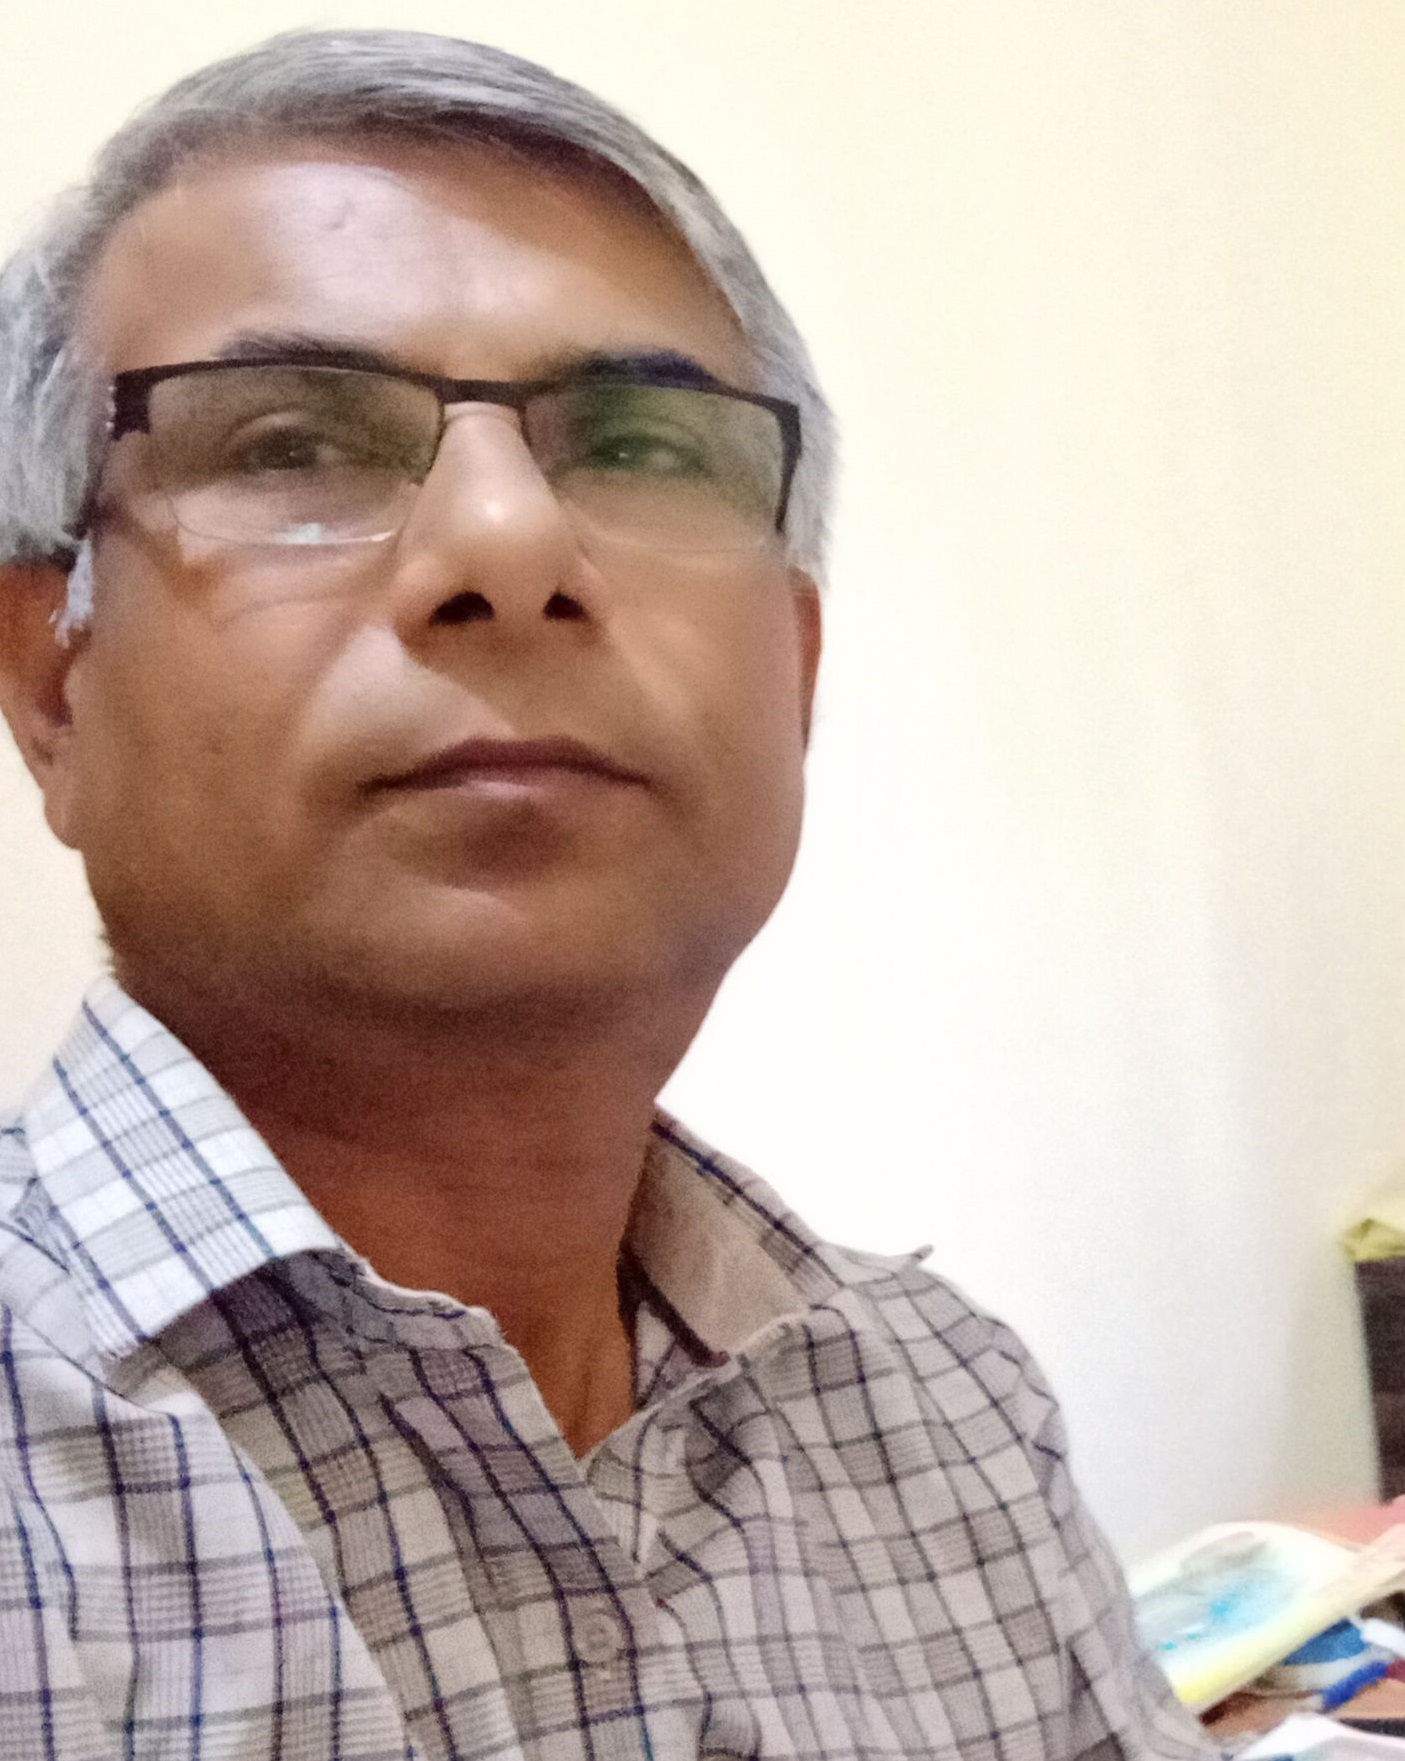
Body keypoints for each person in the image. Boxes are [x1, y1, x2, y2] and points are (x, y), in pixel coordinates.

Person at [0, 28, 1210, 1761]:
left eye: (638, 445)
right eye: (292, 441)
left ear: (795, 673)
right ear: (52, 684)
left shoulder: (946, 1401)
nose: (507, 544)